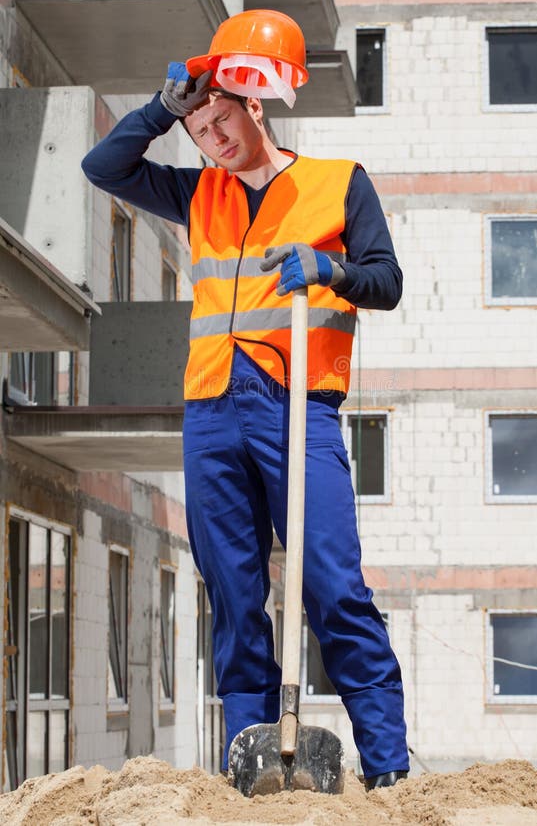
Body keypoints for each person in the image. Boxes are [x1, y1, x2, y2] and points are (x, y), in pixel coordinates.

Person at [81, 59, 409, 790]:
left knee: (330, 585)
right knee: (231, 591)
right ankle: (250, 764)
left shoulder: (337, 182)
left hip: (297, 405)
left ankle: (390, 770)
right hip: (210, 411)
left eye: (221, 119)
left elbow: (385, 280)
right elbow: (102, 165)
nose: (214, 140)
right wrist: (161, 110)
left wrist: (331, 271)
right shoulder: (200, 192)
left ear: (254, 107)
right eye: (199, 131)